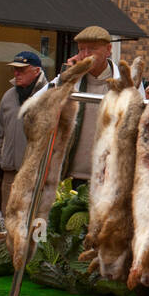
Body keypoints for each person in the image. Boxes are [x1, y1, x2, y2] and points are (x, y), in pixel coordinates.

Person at [57, 26, 117, 184]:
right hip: (71, 177)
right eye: (81, 49)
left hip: (109, 179)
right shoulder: (72, 77)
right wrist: (67, 76)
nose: (85, 55)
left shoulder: (125, 81)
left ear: (108, 49)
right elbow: (43, 102)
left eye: (92, 49)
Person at [0, 51, 47, 208]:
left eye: (22, 69)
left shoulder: (48, 96)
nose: (16, 73)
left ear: (37, 71)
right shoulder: (8, 96)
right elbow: (0, 132)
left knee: (32, 220)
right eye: (14, 69)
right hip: (10, 173)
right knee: (8, 218)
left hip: (36, 175)